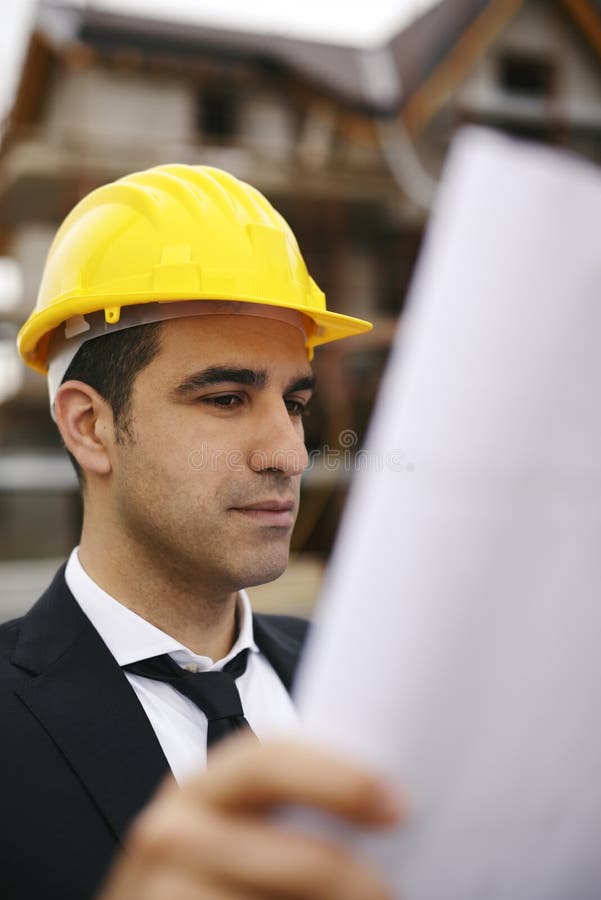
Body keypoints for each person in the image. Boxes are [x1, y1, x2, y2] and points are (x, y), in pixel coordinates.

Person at [1, 165, 401, 899]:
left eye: (294, 402)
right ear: (90, 426)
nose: (286, 453)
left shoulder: (359, 681)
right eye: (225, 397)